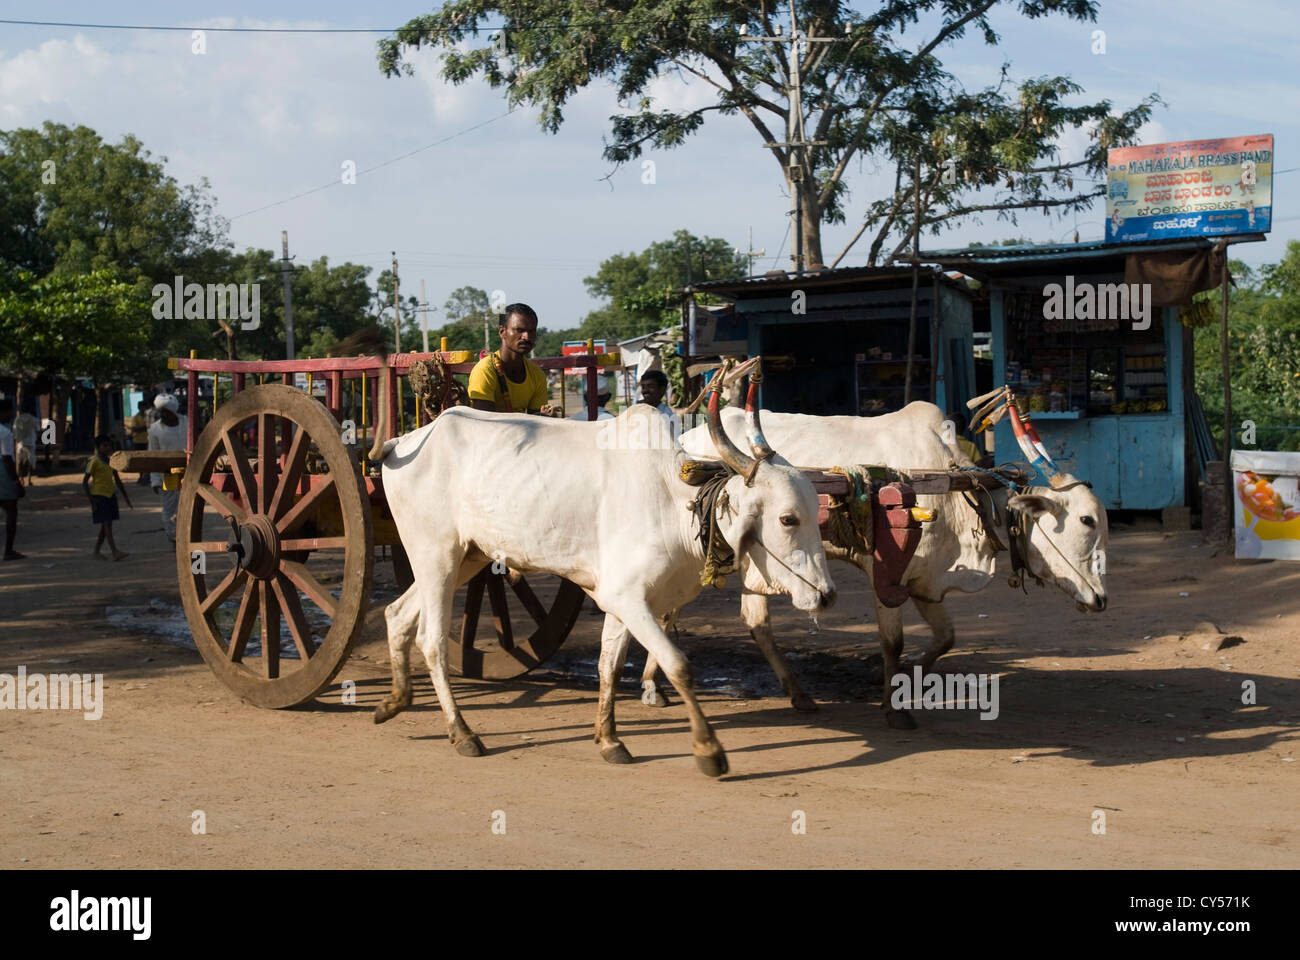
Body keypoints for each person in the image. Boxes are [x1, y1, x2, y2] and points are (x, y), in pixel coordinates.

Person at [467, 303, 557, 415]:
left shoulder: (537, 375)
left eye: (532, 331)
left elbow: (537, 424)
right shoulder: (485, 370)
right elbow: (484, 423)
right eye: (519, 330)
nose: (527, 337)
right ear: (502, 332)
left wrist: (543, 417)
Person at [83, 433, 132, 560]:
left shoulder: (111, 462)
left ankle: (96, 551)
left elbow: (118, 480)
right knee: (107, 524)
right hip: (99, 496)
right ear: (98, 447)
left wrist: (126, 498)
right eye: (105, 446)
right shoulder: (93, 462)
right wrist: (92, 502)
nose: (108, 448)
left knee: (106, 526)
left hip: (110, 495)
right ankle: (114, 551)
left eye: (109, 445)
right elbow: (84, 482)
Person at [148, 393, 187, 543]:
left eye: (166, 412)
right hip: (167, 474)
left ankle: (186, 536)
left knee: (187, 506)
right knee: (169, 507)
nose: (163, 414)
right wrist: (155, 480)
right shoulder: (154, 430)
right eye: (161, 412)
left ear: (173, 411)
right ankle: (173, 538)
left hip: (187, 472)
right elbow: (153, 454)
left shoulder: (187, 423)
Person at [0, 397, 25, 560]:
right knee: (11, 510)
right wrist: (17, 482)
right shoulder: (5, 432)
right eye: (9, 412)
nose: (11, 416)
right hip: (3, 473)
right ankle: (8, 550)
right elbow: (7, 459)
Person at [126, 400, 151, 485]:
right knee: (140, 460)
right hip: (138, 441)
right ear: (139, 408)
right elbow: (134, 429)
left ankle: (146, 477)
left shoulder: (148, 417)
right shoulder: (136, 418)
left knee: (147, 460)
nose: (144, 409)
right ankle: (141, 476)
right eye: (143, 407)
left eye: (145, 407)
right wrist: (145, 428)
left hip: (147, 441)